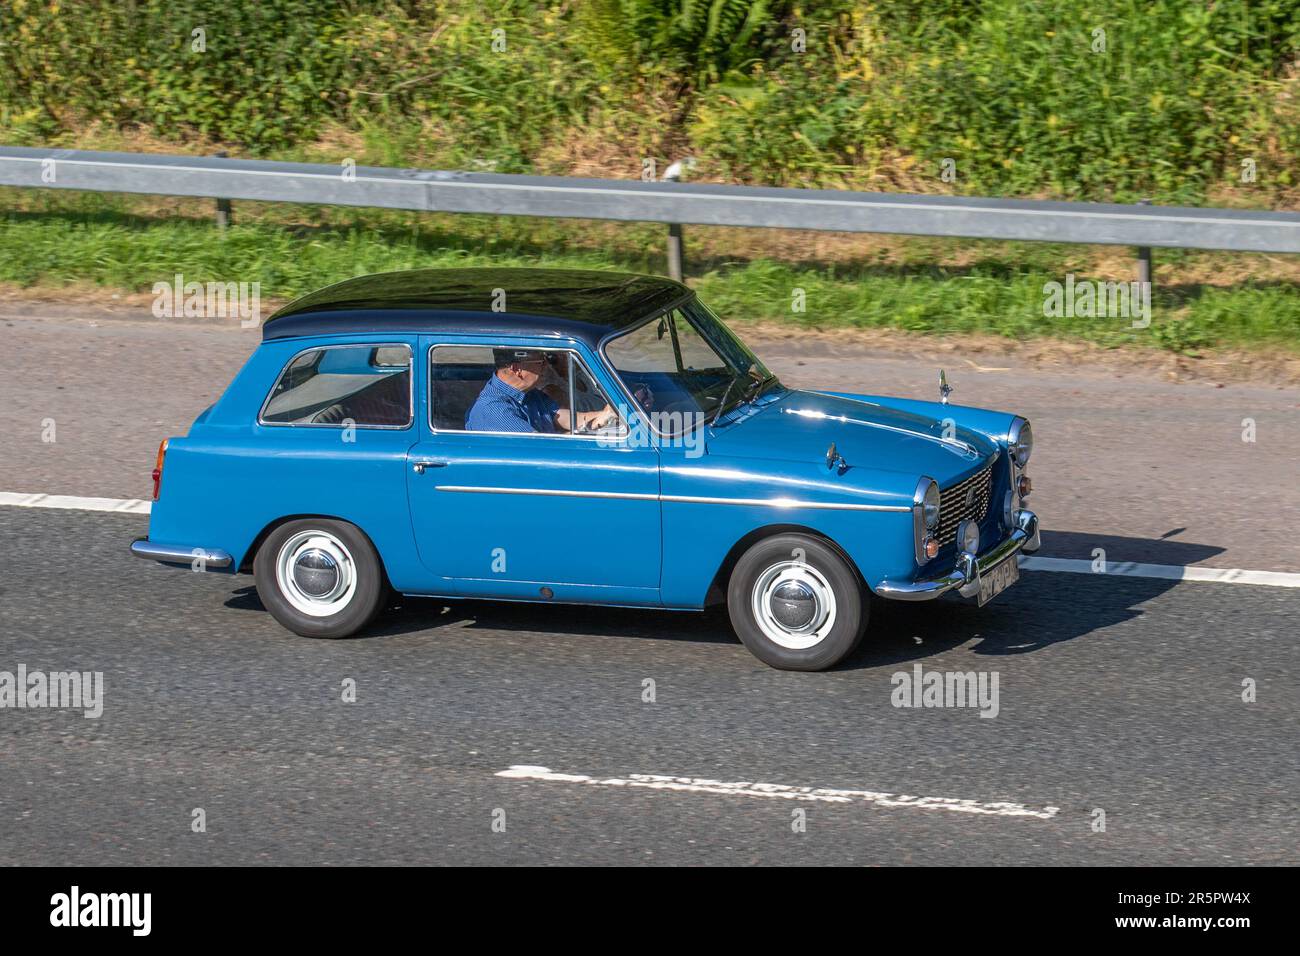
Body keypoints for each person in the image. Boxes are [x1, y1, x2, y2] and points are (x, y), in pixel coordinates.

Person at [465, 349, 614, 433]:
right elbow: (542, 448)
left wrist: (608, 414)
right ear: (517, 369)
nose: (546, 367)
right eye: (540, 362)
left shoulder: (530, 394)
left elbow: (572, 419)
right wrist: (588, 429)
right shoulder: (494, 411)